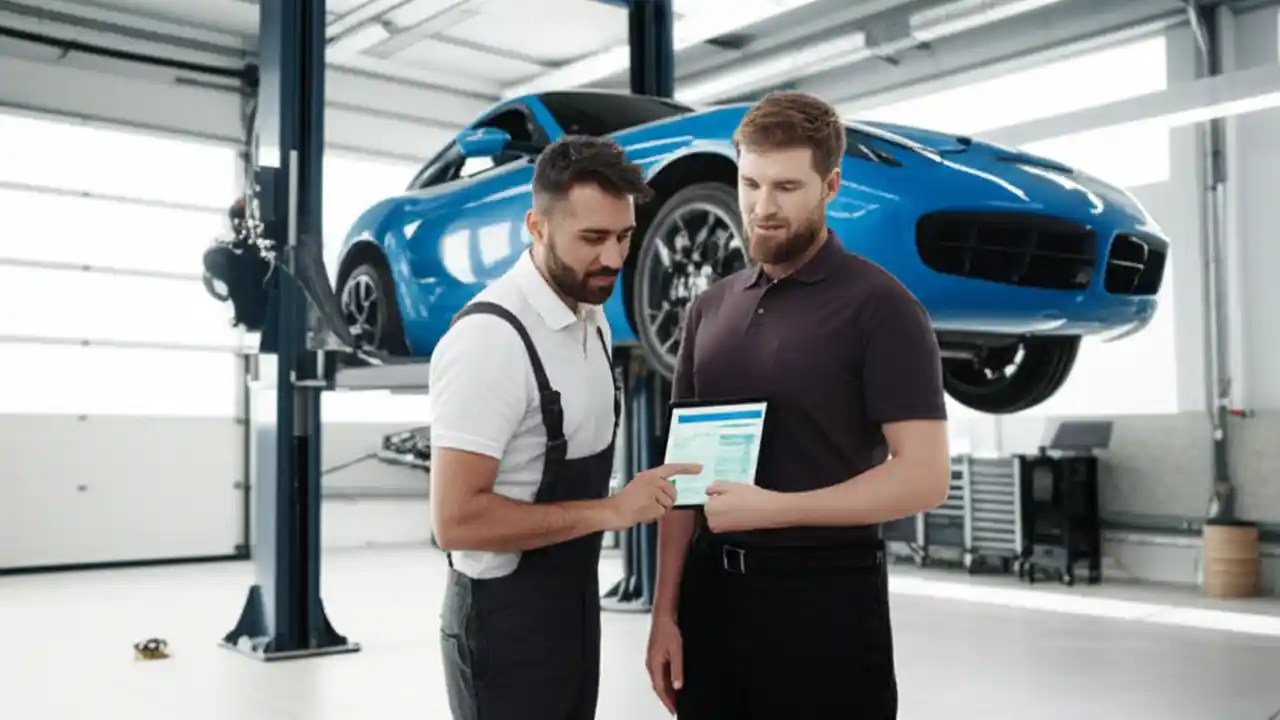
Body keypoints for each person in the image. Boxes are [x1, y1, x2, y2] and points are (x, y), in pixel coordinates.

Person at [644, 92, 952, 719]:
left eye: (786, 186)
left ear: (830, 185)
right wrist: (663, 611)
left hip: (826, 604)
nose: (762, 207)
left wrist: (777, 510)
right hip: (713, 602)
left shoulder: (882, 307)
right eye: (749, 183)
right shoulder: (709, 309)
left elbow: (924, 476)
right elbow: (683, 476)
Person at [428, 134, 700, 720]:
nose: (613, 259)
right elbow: (456, 520)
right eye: (593, 239)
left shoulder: (593, 320)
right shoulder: (490, 340)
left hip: (573, 612)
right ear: (537, 226)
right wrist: (612, 511)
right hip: (502, 631)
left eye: (624, 236)